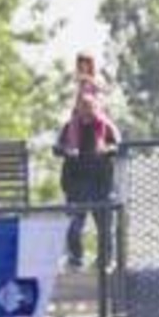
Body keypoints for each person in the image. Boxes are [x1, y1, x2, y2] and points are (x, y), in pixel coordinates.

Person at [56, 85, 120, 270]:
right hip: (76, 182)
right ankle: (75, 258)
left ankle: (106, 259)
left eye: (89, 105)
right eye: (82, 105)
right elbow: (58, 147)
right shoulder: (70, 127)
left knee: (104, 224)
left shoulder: (105, 125)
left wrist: (106, 150)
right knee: (75, 224)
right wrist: (67, 150)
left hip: (101, 182)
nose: (86, 110)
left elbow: (117, 146)